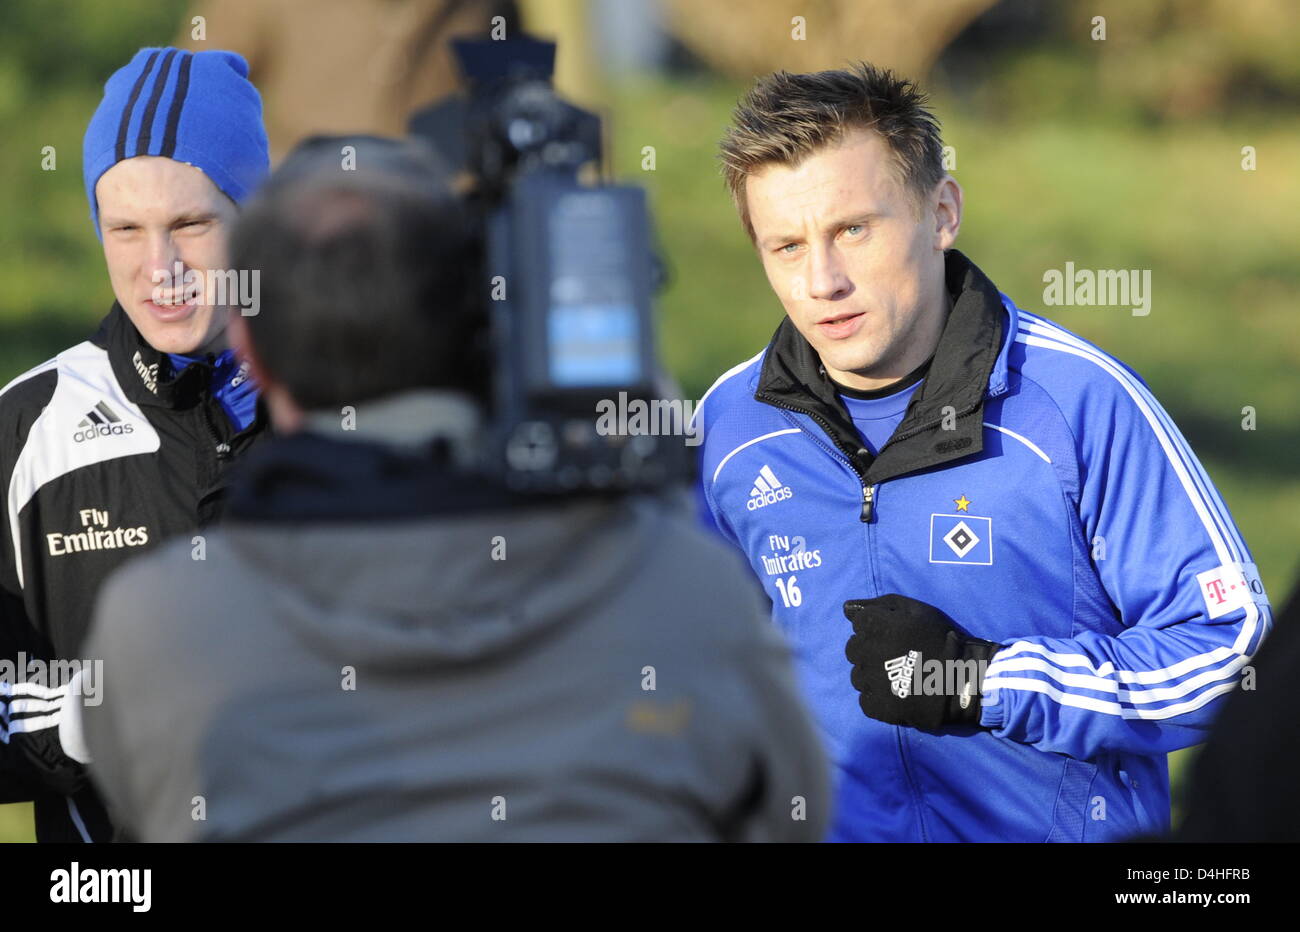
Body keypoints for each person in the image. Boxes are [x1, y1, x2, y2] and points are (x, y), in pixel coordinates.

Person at [79, 137, 829, 842]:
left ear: (252, 353)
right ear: (487, 333)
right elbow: (788, 813)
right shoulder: (683, 591)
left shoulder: (160, 622)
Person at [694, 63, 1272, 842]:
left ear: (941, 212)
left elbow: (1234, 658)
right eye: (786, 246)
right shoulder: (729, 427)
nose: (821, 281)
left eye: (852, 230)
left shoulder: (1078, 403)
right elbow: (691, 671)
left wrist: (988, 680)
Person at [0, 47, 271, 842]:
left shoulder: (345, 406)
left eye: (191, 223)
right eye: (124, 229)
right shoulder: (26, 432)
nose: (162, 268)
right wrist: (77, 726)